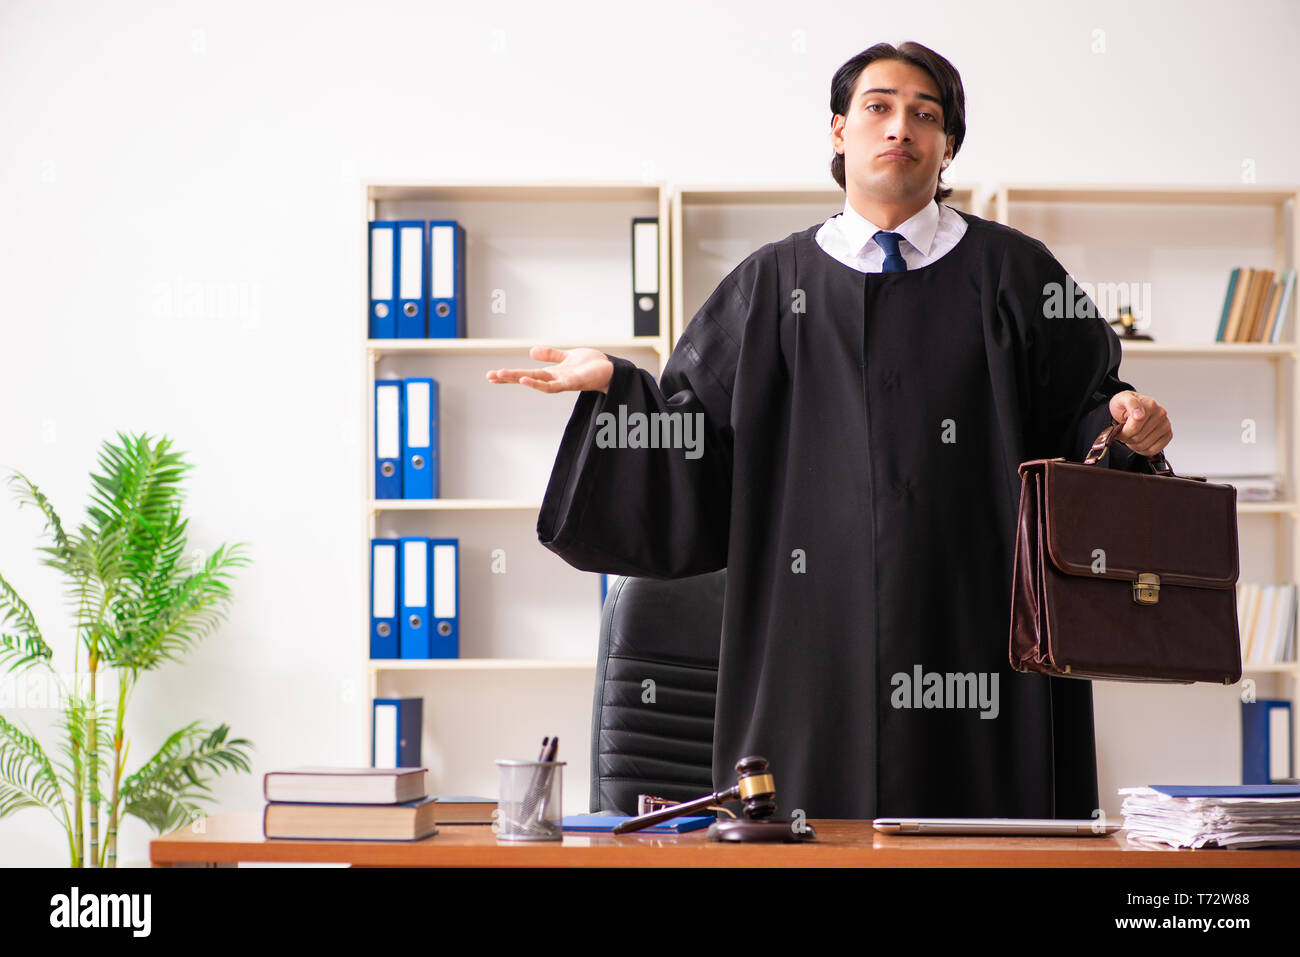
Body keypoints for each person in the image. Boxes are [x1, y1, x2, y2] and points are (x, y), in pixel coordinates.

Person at [486, 41, 1172, 820]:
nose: (900, 127)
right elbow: (692, 444)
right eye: (878, 107)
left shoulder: (1019, 274)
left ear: (948, 146)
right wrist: (619, 387)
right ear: (840, 131)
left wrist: (1125, 423)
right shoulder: (768, 285)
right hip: (807, 652)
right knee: (812, 837)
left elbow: (1088, 408)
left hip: (984, 645)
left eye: (925, 114)